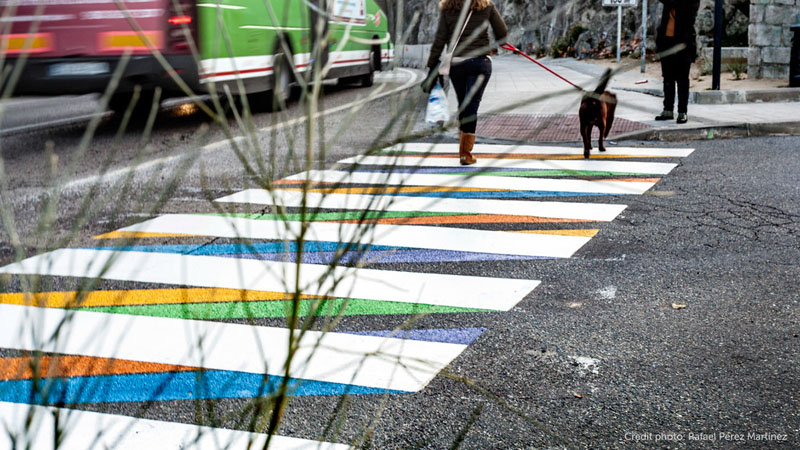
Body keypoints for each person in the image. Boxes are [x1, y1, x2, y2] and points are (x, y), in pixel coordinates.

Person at [422, 0, 508, 165]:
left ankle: (464, 151)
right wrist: (500, 44)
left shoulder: (448, 8)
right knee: (471, 105)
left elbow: (440, 39)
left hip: (457, 64)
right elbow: (502, 32)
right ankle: (465, 154)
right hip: (479, 63)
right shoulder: (486, 6)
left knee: (464, 104)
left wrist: (432, 64)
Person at [654, 0, 700, 124]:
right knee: (668, 78)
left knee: (682, 79)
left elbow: (686, 9)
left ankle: (682, 111)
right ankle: (668, 109)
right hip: (666, 41)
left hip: (683, 43)